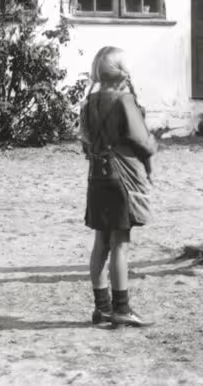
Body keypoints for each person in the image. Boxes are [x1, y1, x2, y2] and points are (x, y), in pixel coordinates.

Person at [80, 46, 157, 327]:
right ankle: (121, 308)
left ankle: (102, 307)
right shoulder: (124, 101)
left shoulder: (88, 103)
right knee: (120, 243)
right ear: (123, 72)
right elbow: (141, 140)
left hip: (96, 176)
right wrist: (152, 148)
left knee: (100, 242)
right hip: (121, 176)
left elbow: (85, 143)